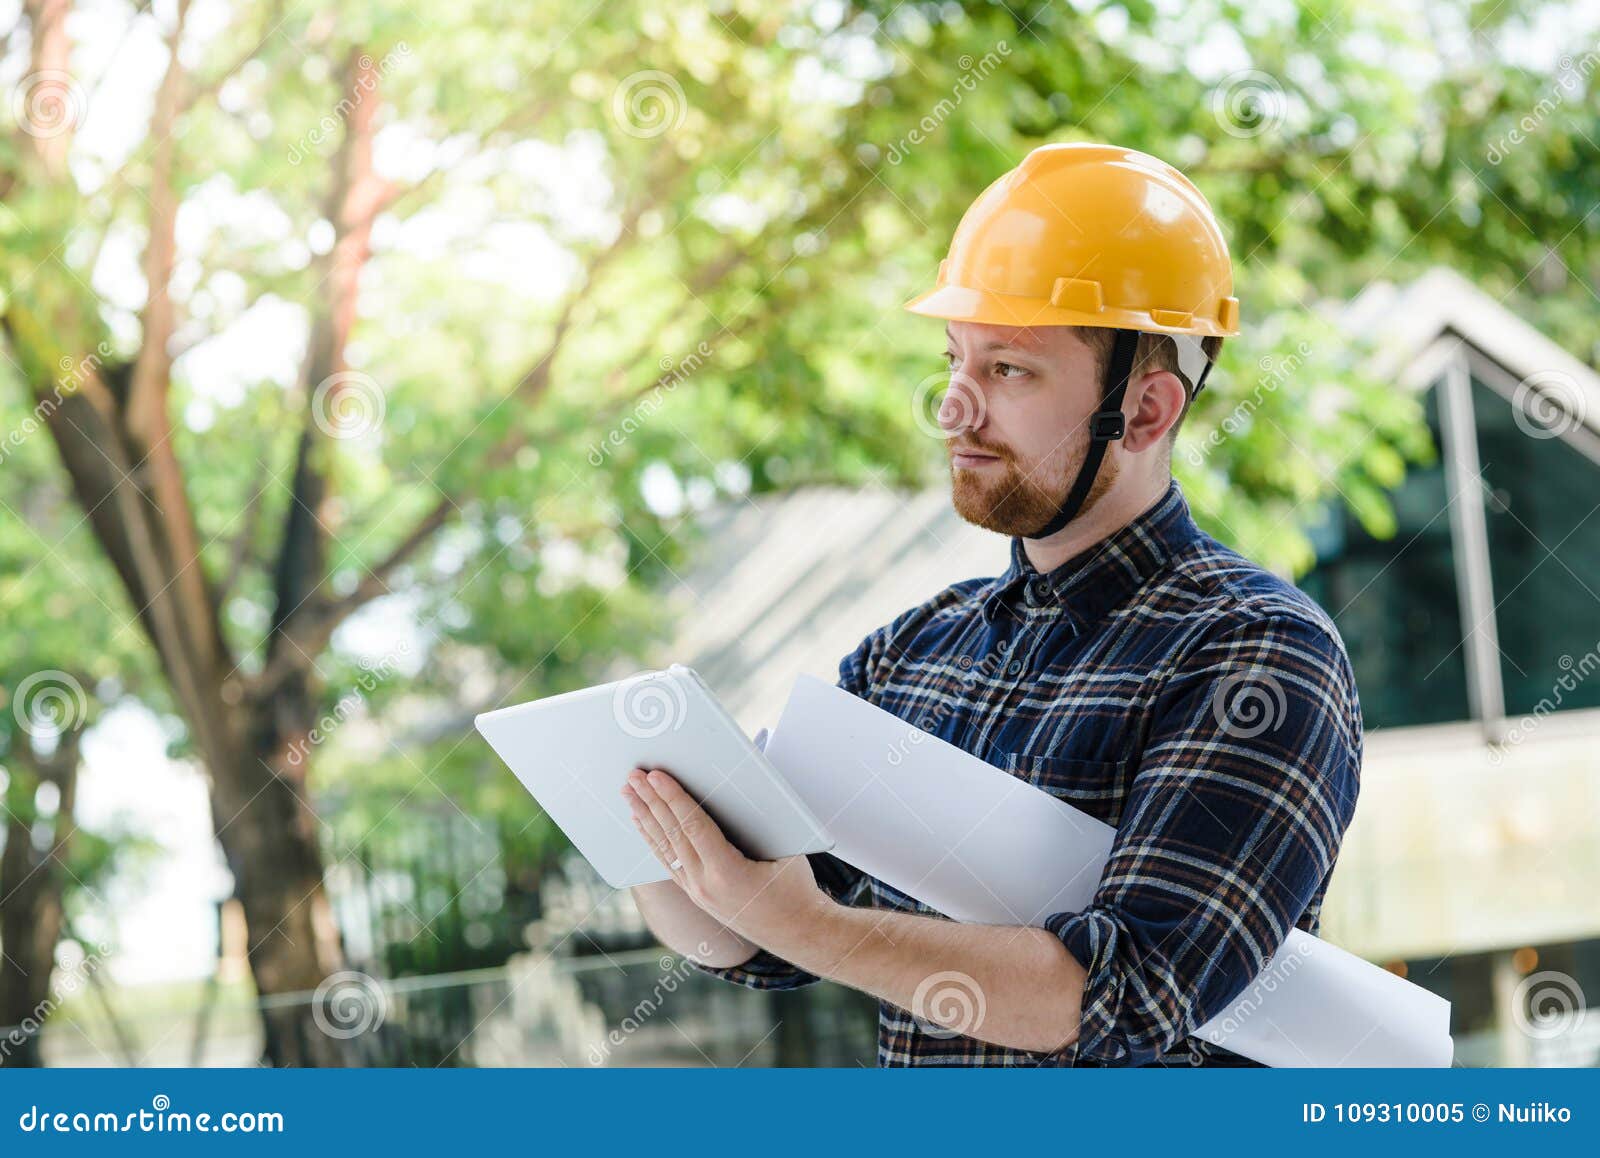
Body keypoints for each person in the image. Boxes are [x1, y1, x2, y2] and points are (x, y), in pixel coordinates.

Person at [623, 143, 1361, 1067]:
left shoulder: (1256, 655)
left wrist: (807, 924)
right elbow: (756, 937)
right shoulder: (912, 655)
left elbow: (1118, 995)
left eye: (1009, 370)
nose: (954, 408)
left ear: (1144, 411)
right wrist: (639, 826)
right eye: (955, 360)